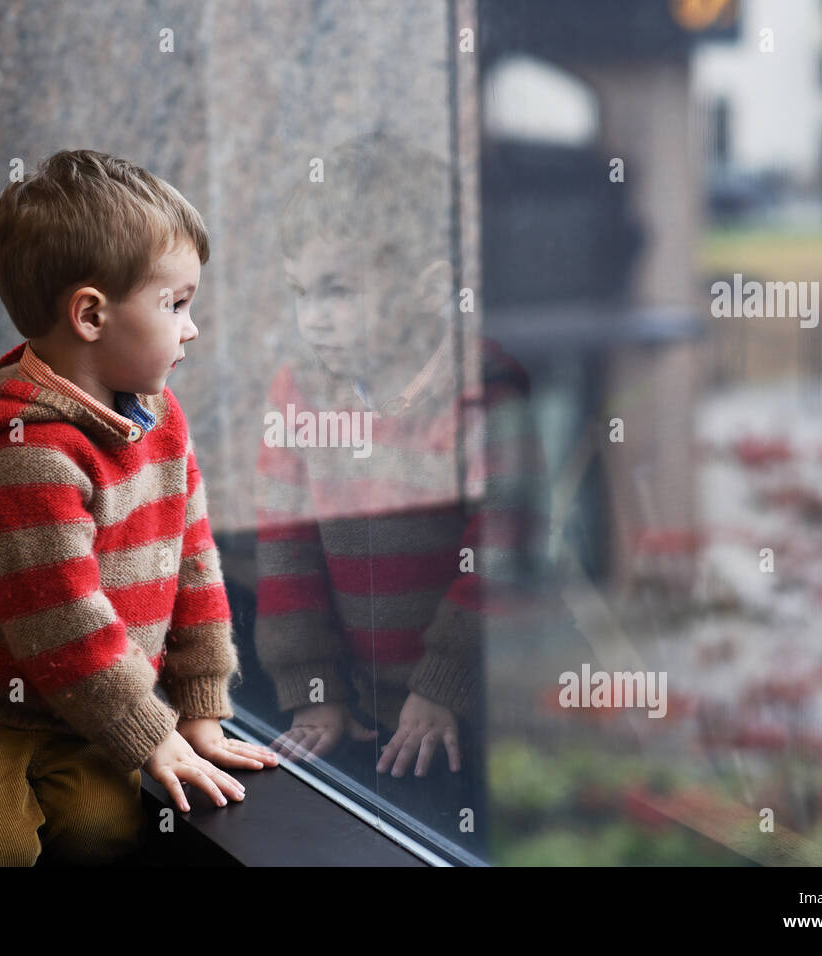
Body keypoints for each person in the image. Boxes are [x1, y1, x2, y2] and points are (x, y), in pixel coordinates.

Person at [0, 148, 278, 866]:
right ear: (91, 314)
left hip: (65, 709)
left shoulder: (159, 420)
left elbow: (191, 559)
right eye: (177, 304)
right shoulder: (25, 455)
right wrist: (150, 730)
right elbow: (66, 627)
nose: (192, 327)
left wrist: (199, 708)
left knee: (103, 834)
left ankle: (1, 791)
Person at [253, 133, 546, 839]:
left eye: (338, 291)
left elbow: (502, 547)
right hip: (355, 714)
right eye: (301, 292)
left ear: (422, 287)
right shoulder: (298, 395)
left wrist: (444, 683)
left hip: (472, 714)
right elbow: (284, 549)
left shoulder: (482, 394)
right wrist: (311, 689)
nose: (312, 316)